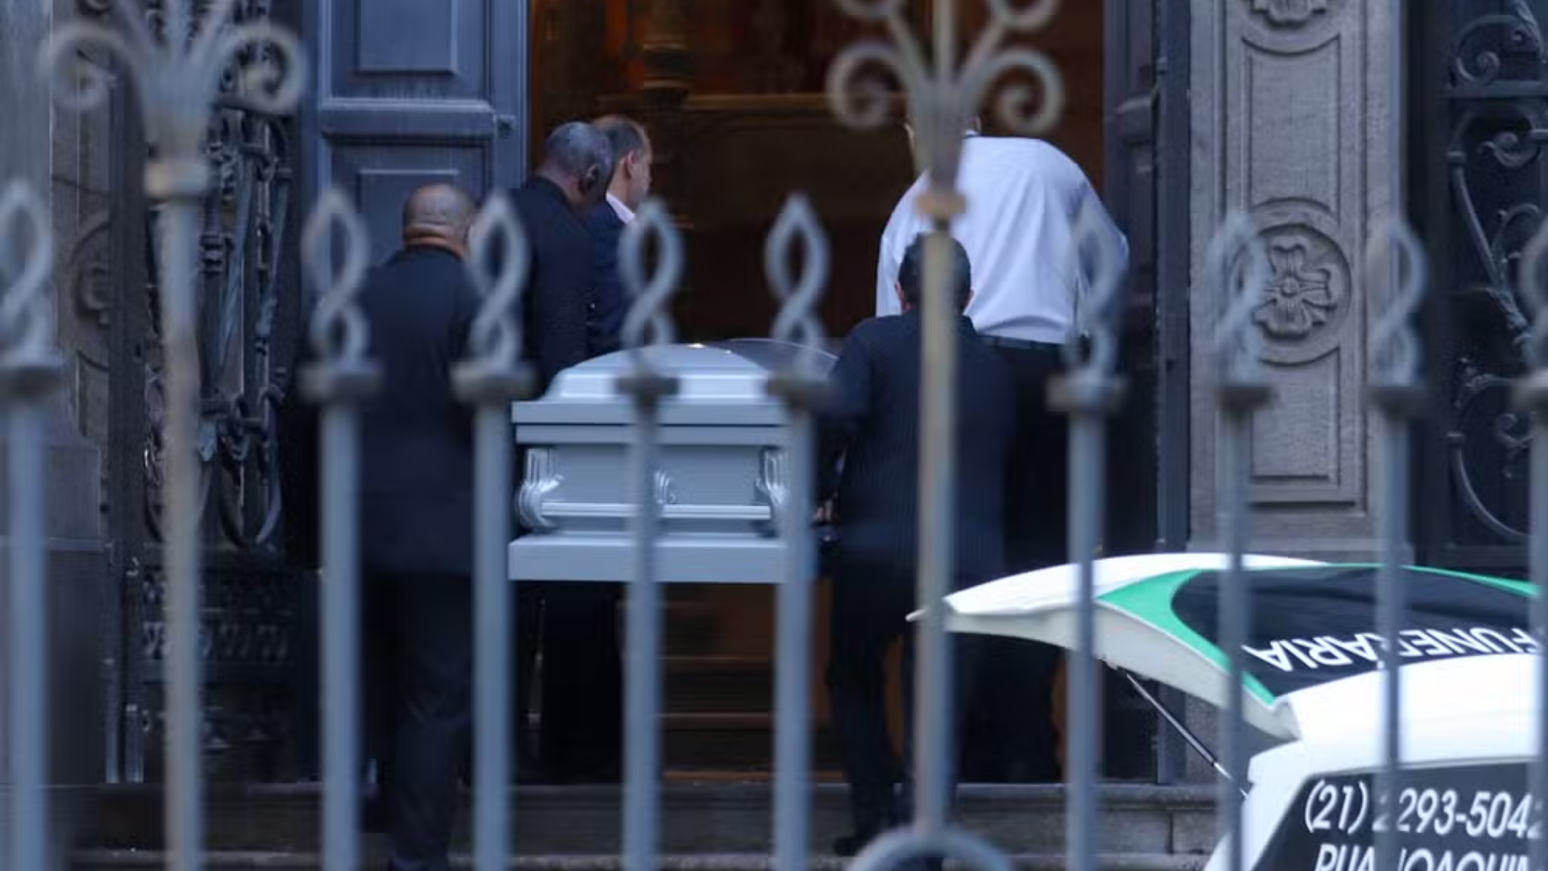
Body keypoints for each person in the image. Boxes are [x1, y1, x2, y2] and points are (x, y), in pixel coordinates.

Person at [875, 124, 1128, 783]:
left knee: (960, 564)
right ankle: (1027, 744)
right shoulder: (1048, 162)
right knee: (1042, 562)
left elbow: (893, 324)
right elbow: (1113, 261)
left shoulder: (910, 203)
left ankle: (961, 748)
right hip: (1046, 377)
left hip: (952, 378)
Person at [819, 234, 1015, 856]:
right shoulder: (995, 366)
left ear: (901, 292)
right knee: (939, 702)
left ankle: (877, 821)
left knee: (852, 677)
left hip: (878, 547)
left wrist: (820, 489)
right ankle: (924, 838)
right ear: (969, 297)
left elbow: (832, 418)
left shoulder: (873, 341)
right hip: (968, 560)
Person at [356, 184, 483, 871]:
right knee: (433, 696)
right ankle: (416, 855)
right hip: (444, 529)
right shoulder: (473, 300)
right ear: (465, 233)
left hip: (359, 523)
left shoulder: (350, 296)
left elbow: (303, 408)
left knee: (374, 675)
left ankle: (374, 807)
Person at [507, 121, 616, 783]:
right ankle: (536, 752)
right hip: (534, 450)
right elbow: (561, 359)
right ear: (592, 178)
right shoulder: (569, 235)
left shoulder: (497, 212)